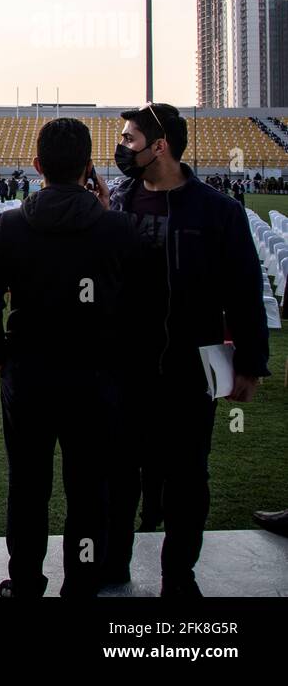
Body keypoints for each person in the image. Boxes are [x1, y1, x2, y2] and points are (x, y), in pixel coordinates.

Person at [0, 118, 143, 596]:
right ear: (89, 167)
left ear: (36, 166)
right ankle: (82, 584)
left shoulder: (10, 224)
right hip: (95, 378)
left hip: (28, 375)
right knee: (89, 492)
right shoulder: (116, 227)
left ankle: (26, 582)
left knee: (27, 488)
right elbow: (137, 303)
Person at [105, 103, 268, 596]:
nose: (122, 148)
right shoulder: (119, 203)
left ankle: (179, 572)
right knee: (118, 472)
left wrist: (251, 363)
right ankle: (114, 562)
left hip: (188, 369)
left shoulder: (217, 211)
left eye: (131, 139)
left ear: (161, 146)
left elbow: (244, 289)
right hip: (124, 366)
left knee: (187, 476)